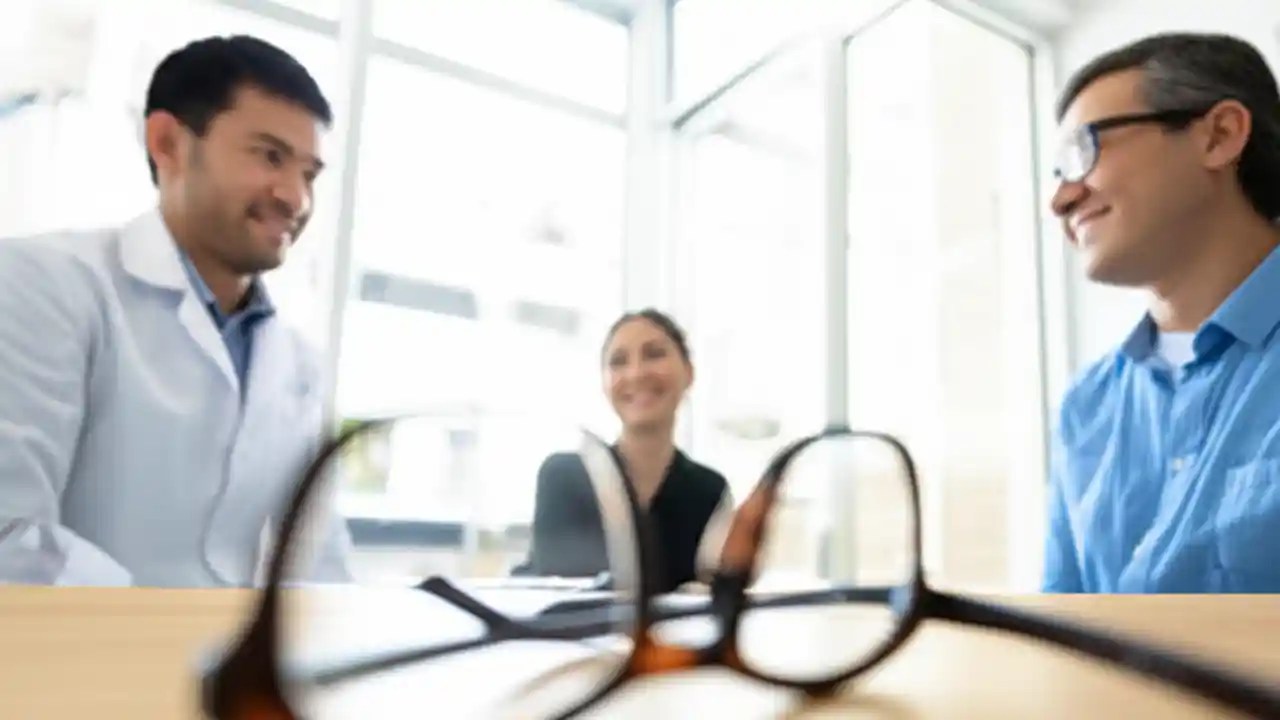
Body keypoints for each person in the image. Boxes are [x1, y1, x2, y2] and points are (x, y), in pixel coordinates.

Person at [0, 35, 351, 586]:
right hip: (72, 662)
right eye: (270, 156)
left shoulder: (298, 363)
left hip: (230, 669)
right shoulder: (44, 284)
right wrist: (177, 635)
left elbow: (319, 565)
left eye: (309, 174)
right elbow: (9, 534)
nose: (295, 197)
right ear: (168, 143)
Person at [1043, 32, 1280, 593]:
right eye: (1057, 174)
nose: (1061, 199)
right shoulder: (1087, 406)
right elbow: (1062, 630)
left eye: (1084, 152)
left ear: (1219, 136)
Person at [514, 309, 731, 593]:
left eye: (654, 354)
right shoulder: (564, 476)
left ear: (689, 373)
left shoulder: (708, 489)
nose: (636, 373)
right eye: (618, 362)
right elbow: (566, 590)